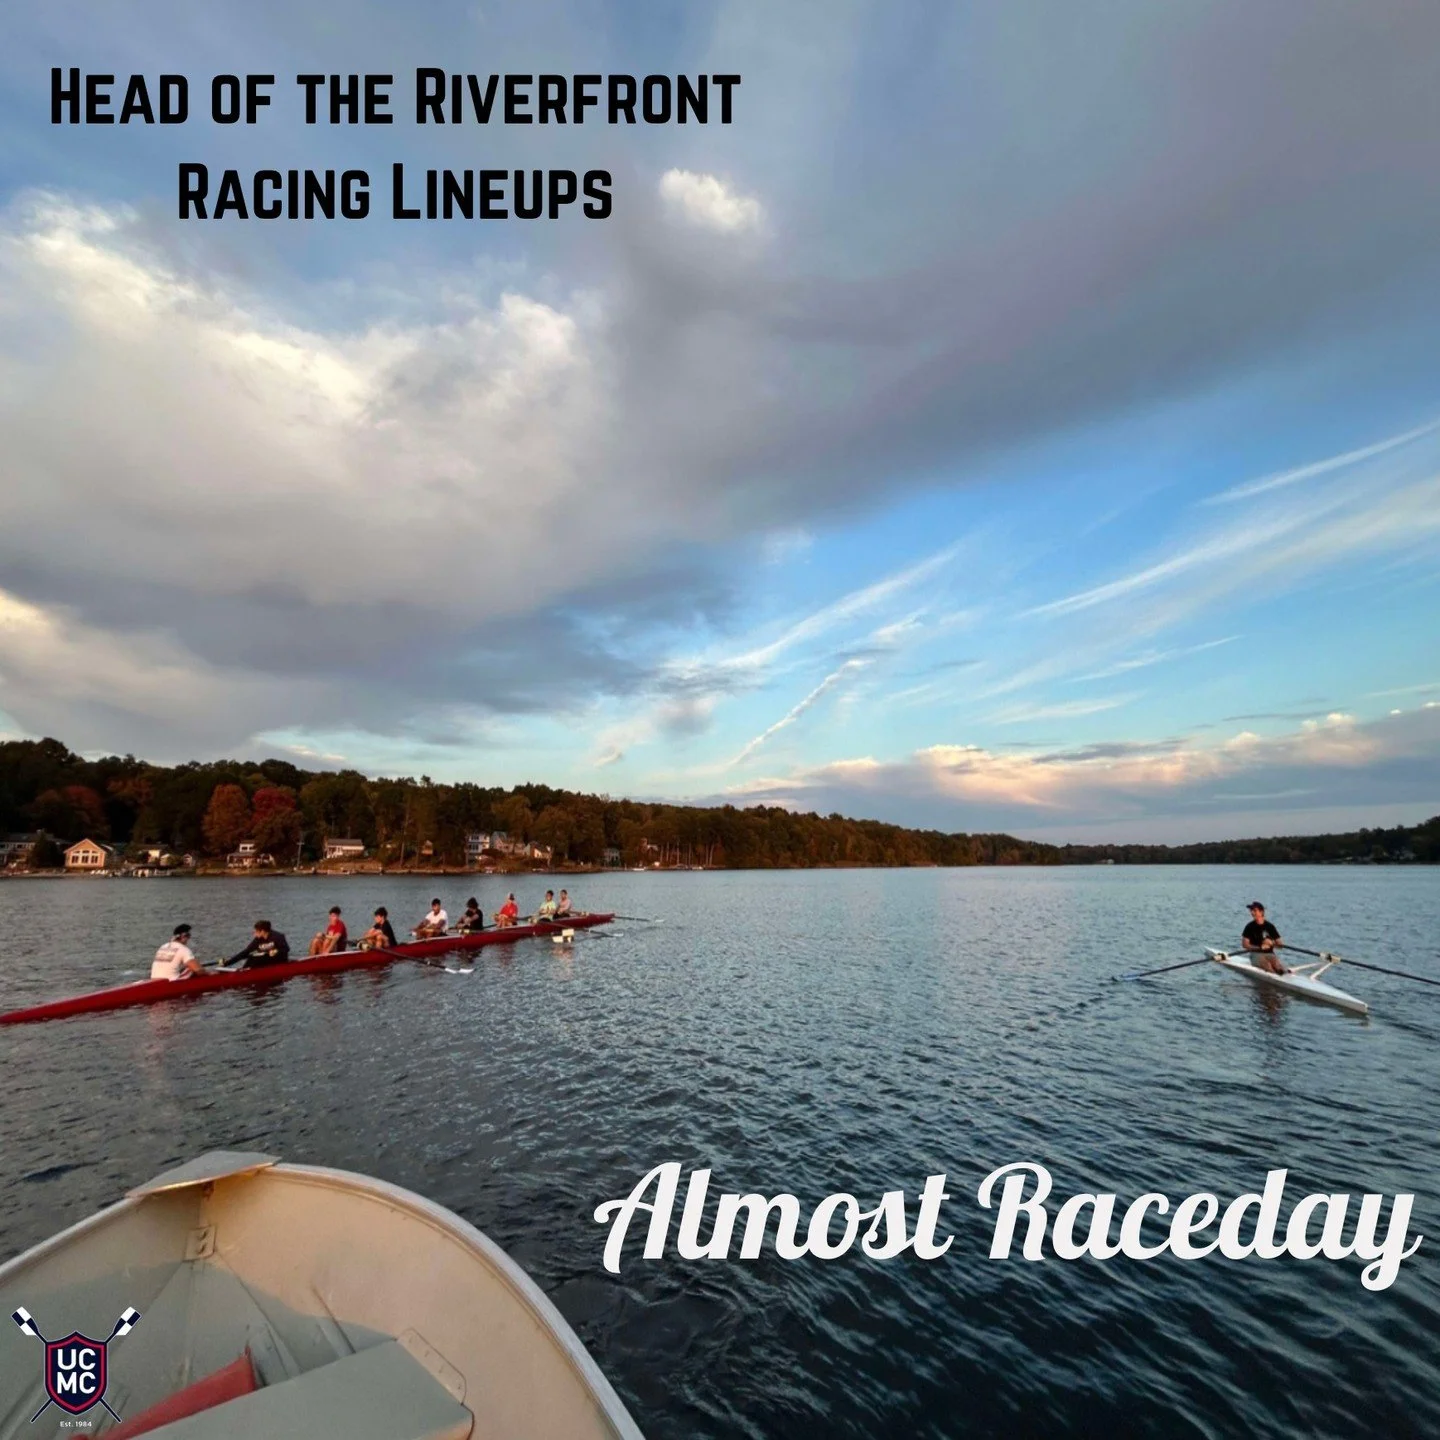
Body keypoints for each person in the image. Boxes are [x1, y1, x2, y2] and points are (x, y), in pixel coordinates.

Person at [1241, 901, 1286, 975]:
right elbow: (1245, 945)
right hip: (1256, 954)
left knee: (1279, 967)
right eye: (1251, 911)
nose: (1252, 913)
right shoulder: (1249, 926)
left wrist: (1272, 943)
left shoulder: (1270, 927)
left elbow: (1280, 945)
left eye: (1255, 910)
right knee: (1267, 965)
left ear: (1261, 912)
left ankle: (1282, 975)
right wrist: (1260, 947)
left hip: (1270, 954)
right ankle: (1274, 978)